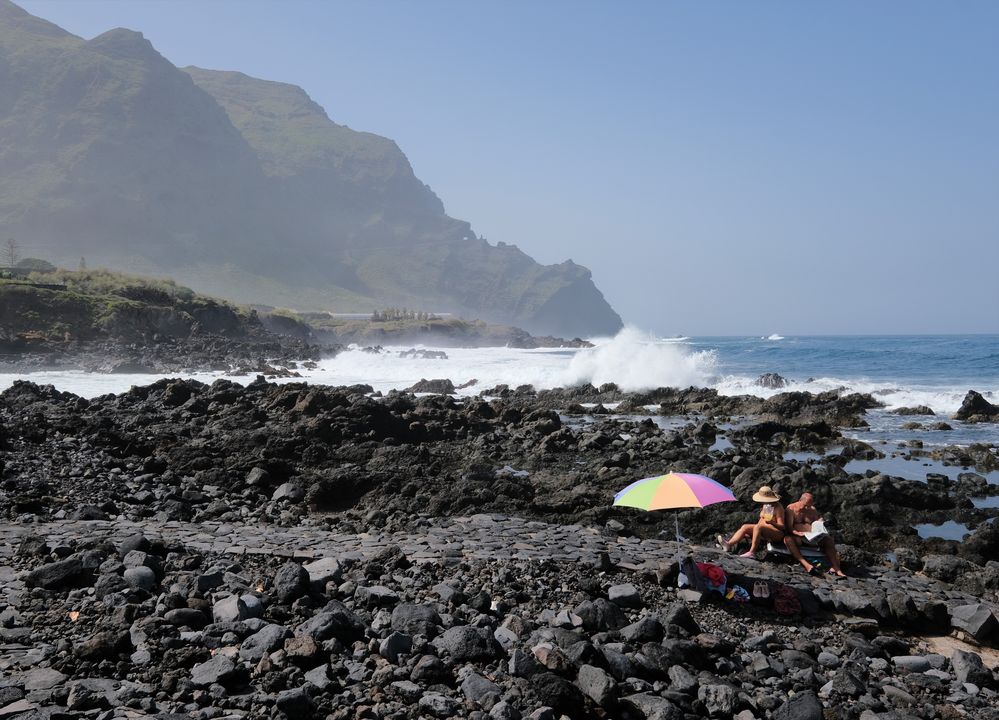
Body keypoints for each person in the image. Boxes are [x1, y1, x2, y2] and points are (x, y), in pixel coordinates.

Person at [783, 491, 846, 577]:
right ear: (800, 500)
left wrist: (821, 522)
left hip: (812, 537)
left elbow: (817, 521)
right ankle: (806, 565)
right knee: (787, 539)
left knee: (829, 540)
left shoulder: (812, 510)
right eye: (805, 505)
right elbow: (789, 528)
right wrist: (798, 533)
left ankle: (837, 569)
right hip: (799, 537)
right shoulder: (791, 509)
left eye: (809, 506)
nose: (807, 508)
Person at [716, 485, 785, 559]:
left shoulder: (778, 508)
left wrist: (771, 522)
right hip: (764, 530)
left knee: (758, 527)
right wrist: (755, 532)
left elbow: (782, 526)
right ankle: (729, 544)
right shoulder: (766, 505)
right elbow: (761, 521)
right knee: (745, 527)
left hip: (776, 533)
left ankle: (752, 552)